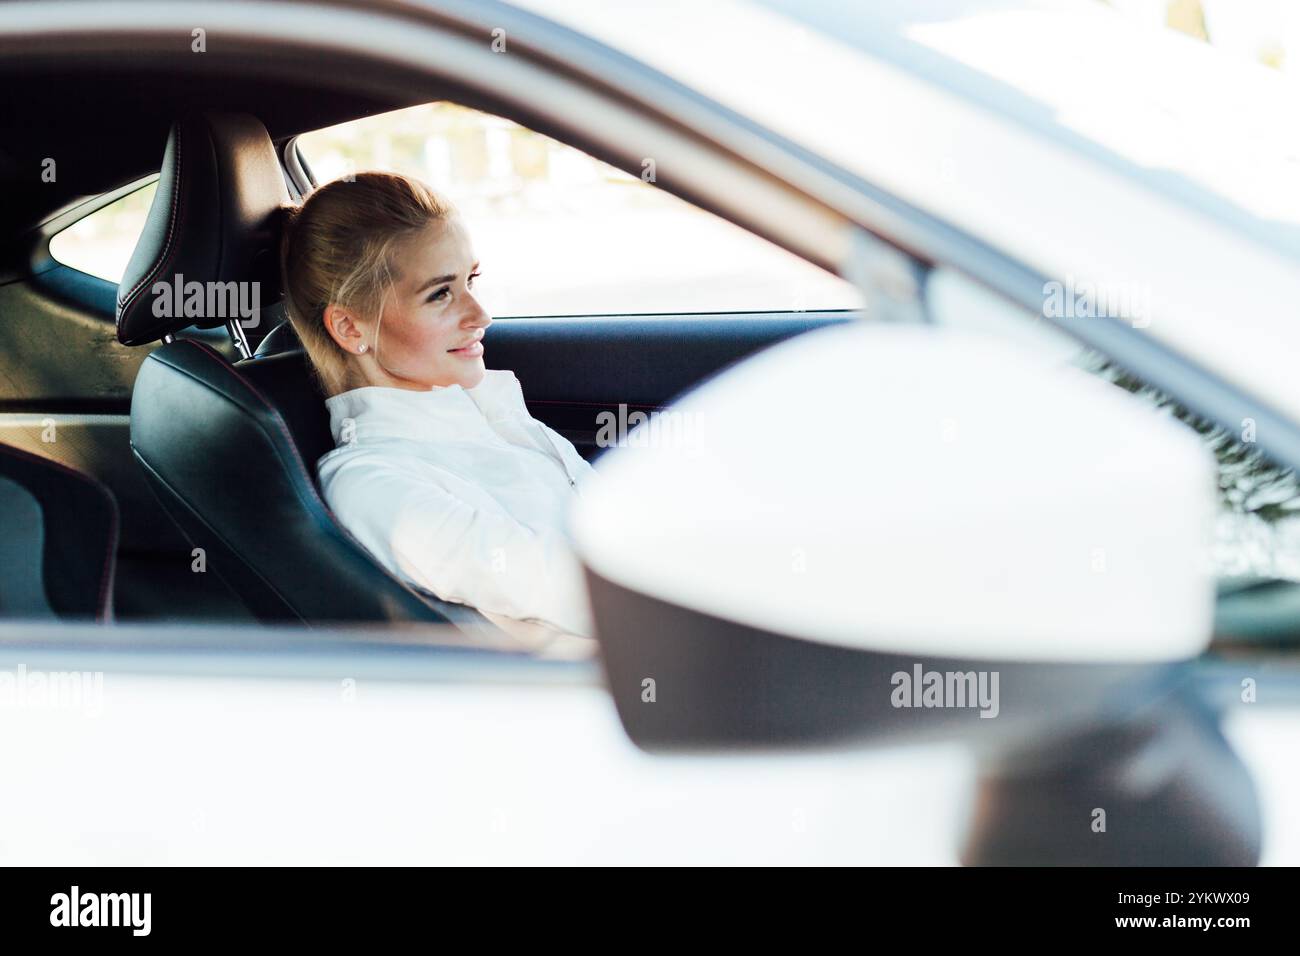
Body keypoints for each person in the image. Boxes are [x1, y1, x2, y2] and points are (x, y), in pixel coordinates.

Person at [279, 171, 597, 650]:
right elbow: (590, 594)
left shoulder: (485, 413)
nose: (481, 315)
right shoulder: (375, 485)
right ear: (349, 326)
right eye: (440, 293)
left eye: (470, 280)